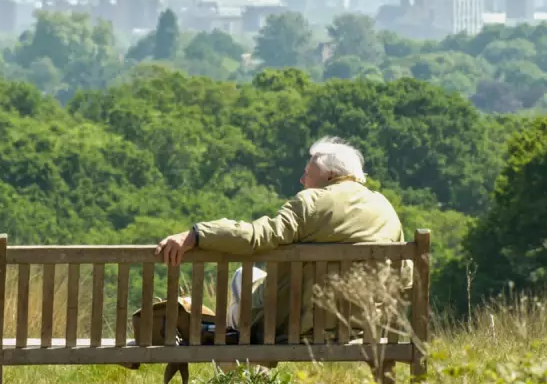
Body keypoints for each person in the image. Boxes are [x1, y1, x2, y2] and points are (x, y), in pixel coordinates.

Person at [155, 136, 407, 342]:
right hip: (365, 327)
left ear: (330, 175)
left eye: (308, 173)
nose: (302, 180)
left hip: (298, 327)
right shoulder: (385, 209)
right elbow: (405, 276)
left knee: (242, 278)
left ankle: (239, 375)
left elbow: (255, 237)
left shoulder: (311, 202)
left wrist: (197, 234)